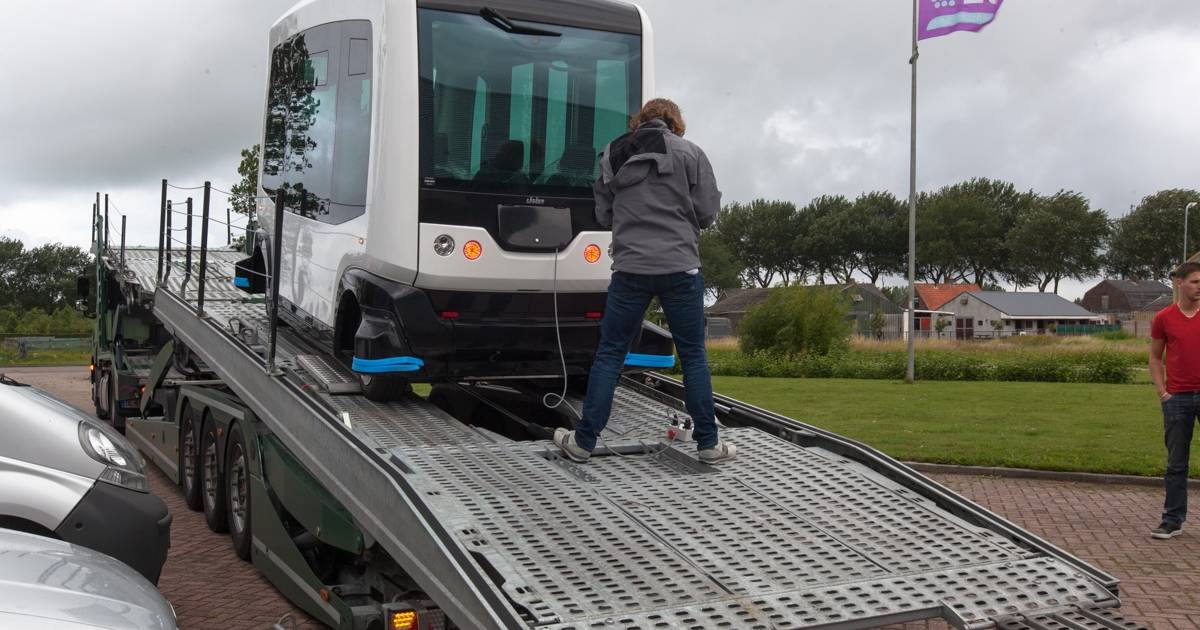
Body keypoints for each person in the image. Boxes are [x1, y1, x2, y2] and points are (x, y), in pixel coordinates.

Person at [554, 98, 736, 465]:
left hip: (631, 269)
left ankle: (583, 441)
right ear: (675, 122)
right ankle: (708, 444)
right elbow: (707, 213)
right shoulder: (691, 153)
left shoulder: (612, 154)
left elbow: (604, 214)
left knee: (610, 354)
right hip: (681, 269)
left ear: (640, 121)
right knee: (693, 356)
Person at [1149, 261, 1200, 539]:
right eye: (1194, 281)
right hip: (1177, 398)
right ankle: (1172, 520)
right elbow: (1155, 357)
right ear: (1179, 282)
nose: (1199, 286)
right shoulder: (1164, 318)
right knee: (1176, 463)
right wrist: (1162, 392)